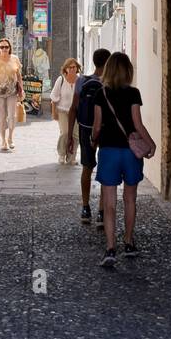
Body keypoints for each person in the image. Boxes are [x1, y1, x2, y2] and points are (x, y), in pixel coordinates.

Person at [91, 51, 155, 267]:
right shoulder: (133, 94)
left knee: (108, 202)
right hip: (130, 152)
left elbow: (97, 127)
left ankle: (110, 248)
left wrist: (93, 139)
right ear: (128, 70)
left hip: (109, 151)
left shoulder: (101, 94)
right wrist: (151, 143)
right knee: (130, 199)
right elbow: (137, 124)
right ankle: (128, 243)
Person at [67, 47, 111, 223]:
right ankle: (101, 210)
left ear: (94, 62)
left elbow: (73, 109)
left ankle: (85, 207)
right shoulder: (110, 83)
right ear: (107, 63)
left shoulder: (81, 82)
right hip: (106, 130)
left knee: (87, 167)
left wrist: (70, 134)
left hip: (86, 129)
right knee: (105, 170)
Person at [0, 38, 24, 152]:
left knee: (12, 117)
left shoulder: (15, 59)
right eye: (1, 47)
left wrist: (21, 89)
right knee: (2, 118)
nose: (4, 49)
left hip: (12, 92)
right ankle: (3, 140)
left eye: (6, 47)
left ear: (9, 48)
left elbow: (19, 76)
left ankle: (10, 138)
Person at [50, 58, 81, 164]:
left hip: (76, 112)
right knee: (65, 132)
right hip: (63, 111)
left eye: (74, 67)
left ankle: (72, 157)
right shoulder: (61, 80)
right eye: (70, 67)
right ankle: (62, 154)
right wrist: (54, 112)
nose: (72, 69)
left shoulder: (80, 81)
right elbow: (54, 97)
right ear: (66, 69)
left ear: (77, 68)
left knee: (75, 135)